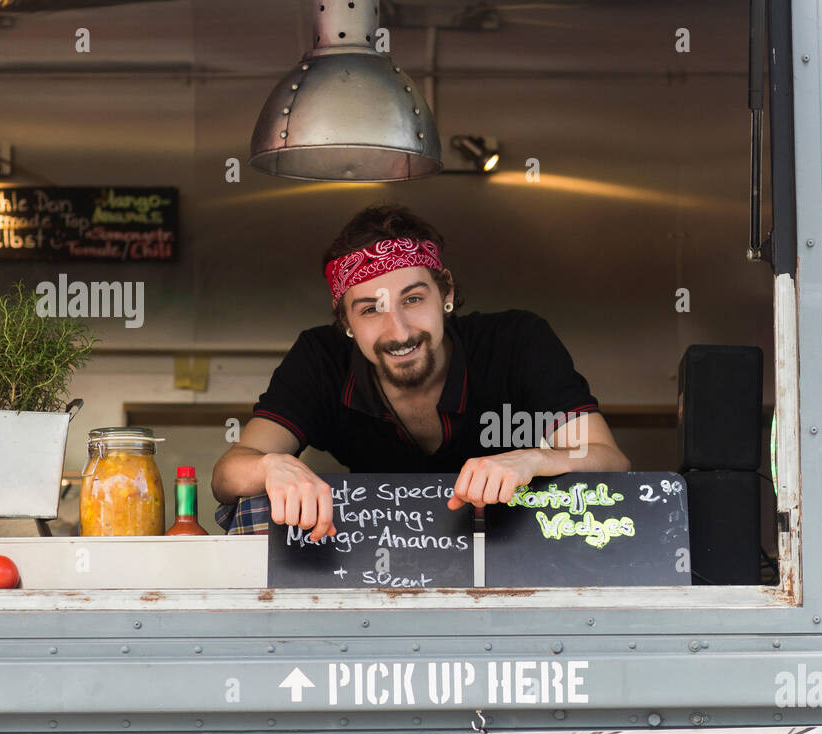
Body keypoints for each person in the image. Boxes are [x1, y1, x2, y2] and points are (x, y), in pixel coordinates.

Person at [211, 204, 629, 540]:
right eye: (371, 309)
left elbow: (611, 461)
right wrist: (272, 467)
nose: (400, 332)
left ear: (445, 291)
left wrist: (534, 459)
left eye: (412, 299)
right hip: (380, 571)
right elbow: (228, 474)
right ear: (346, 323)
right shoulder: (321, 358)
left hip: (514, 565)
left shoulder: (517, 341)